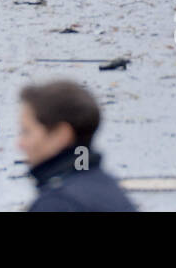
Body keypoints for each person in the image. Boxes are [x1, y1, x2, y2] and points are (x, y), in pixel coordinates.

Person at [17, 80, 135, 212]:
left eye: (26, 132)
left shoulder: (57, 204)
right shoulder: (108, 188)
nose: (20, 144)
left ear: (61, 135)